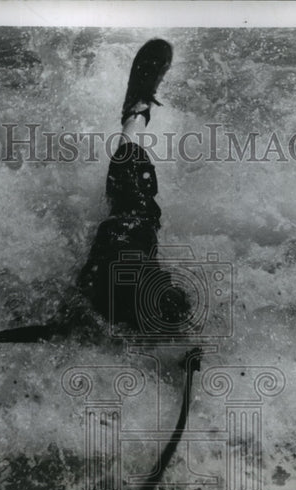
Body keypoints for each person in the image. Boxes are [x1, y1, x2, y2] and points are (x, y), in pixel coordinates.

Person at [77, 38, 190, 335]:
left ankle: (136, 112)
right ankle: (138, 110)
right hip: (137, 221)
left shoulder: (95, 298)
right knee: (127, 159)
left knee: (126, 157)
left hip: (125, 225)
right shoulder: (158, 304)